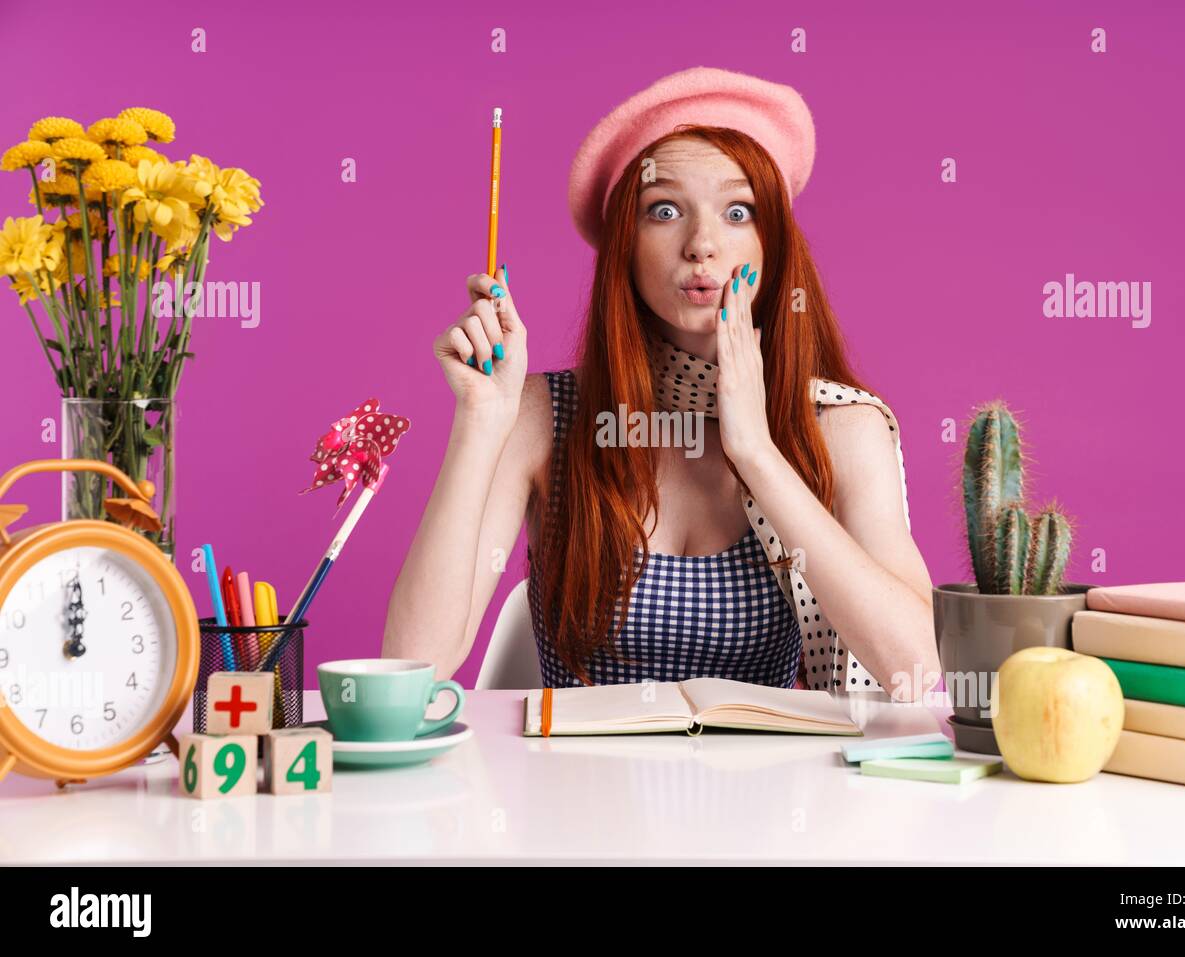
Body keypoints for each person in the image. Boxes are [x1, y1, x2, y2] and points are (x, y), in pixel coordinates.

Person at [384, 66, 940, 699]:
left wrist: (756, 450)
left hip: (769, 794)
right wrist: (482, 420)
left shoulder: (840, 427)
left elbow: (917, 672)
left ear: (776, 245)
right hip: (571, 791)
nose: (702, 245)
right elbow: (412, 665)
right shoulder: (545, 415)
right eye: (665, 209)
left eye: (738, 211)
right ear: (626, 245)